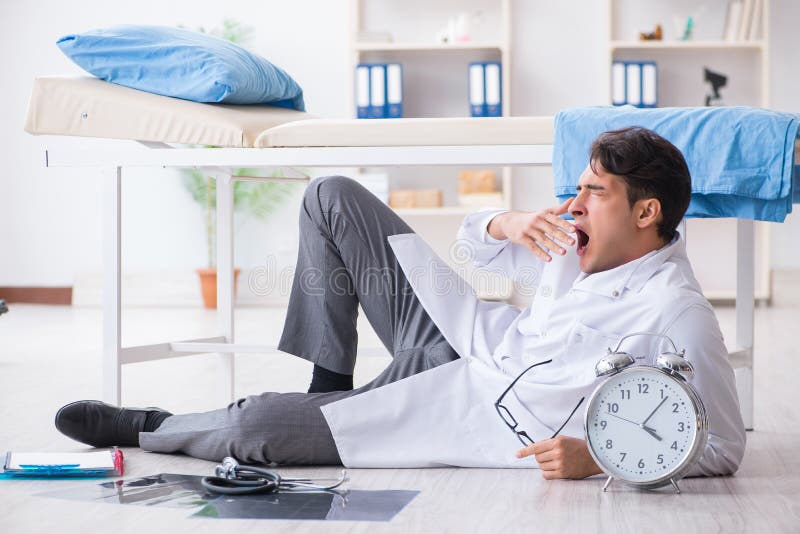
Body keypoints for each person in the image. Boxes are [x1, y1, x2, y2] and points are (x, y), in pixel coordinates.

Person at [55, 127, 746, 479]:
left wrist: (599, 456)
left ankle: (147, 426)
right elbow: (473, 251)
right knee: (330, 195)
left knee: (252, 428)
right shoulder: (578, 238)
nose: (574, 203)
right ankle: (329, 384)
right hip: (455, 333)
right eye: (580, 187)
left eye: (595, 192)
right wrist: (504, 222)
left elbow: (723, 445)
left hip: (464, 411)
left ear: (647, 212)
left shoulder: (676, 311)